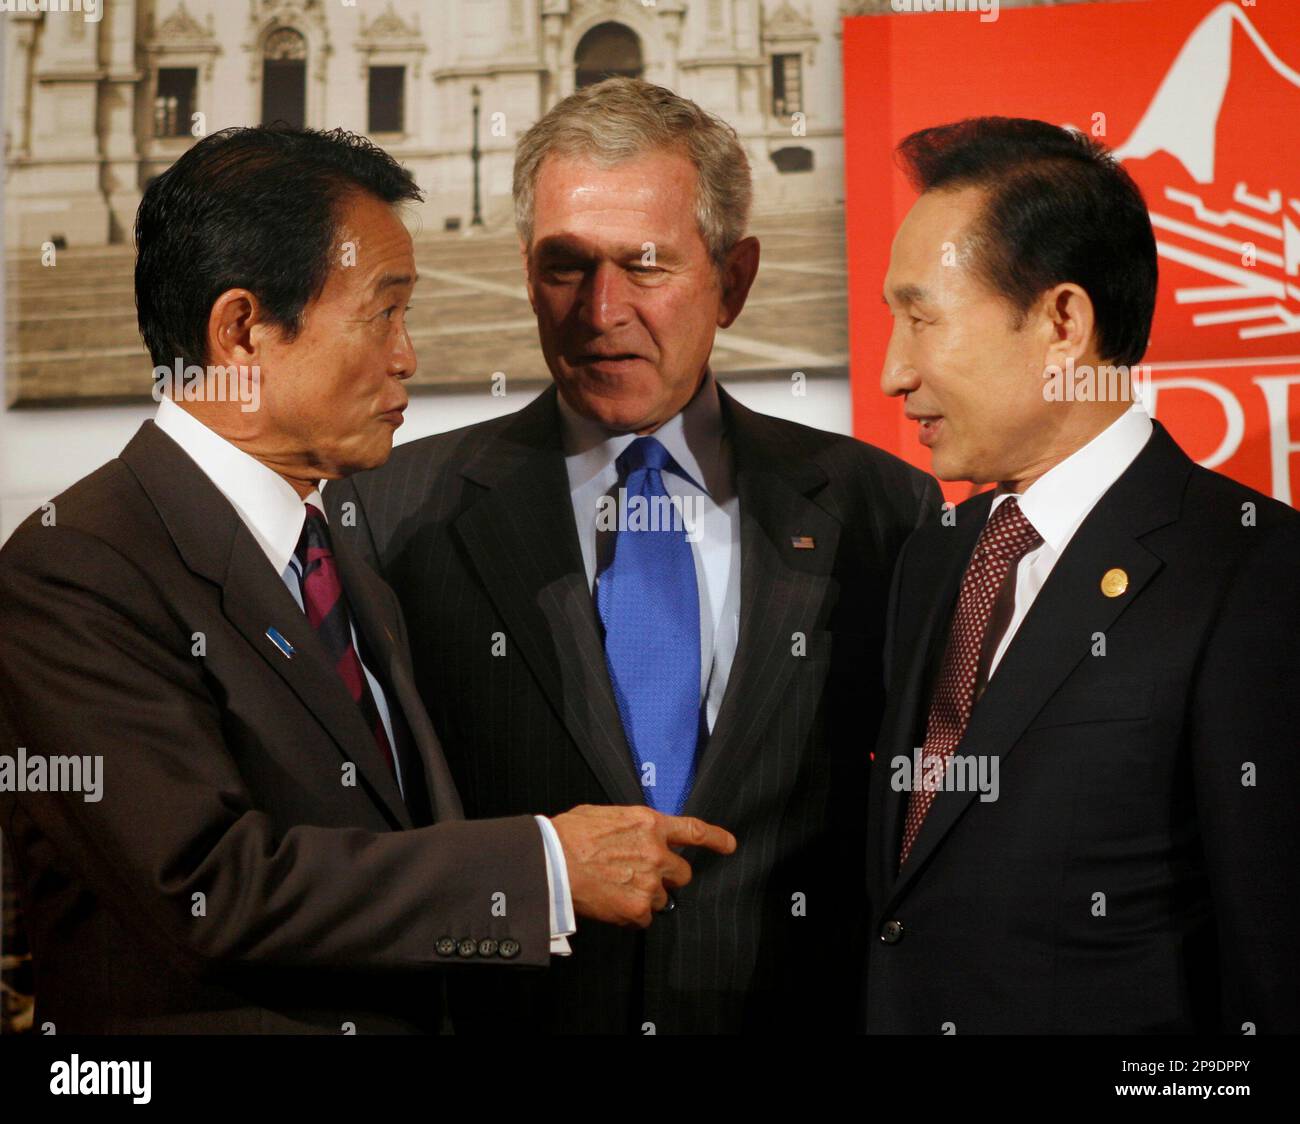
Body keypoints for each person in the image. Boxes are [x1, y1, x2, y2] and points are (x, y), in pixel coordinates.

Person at [0, 124, 735, 1035]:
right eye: (382, 313)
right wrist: (542, 866)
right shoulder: (76, 566)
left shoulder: (338, 537)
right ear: (241, 332)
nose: (407, 357)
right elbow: (207, 886)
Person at [327, 78, 940, 1034]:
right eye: (565, 266)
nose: (599, 309)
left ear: (733, 280)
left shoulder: (880, 506)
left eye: (645, 266)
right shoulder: (391, 514)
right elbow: (367, 849)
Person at [865, 117, 1300, 1033]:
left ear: (1063, 322)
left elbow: (1273, 960)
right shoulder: (936, 555)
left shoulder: (1256, 570)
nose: (894, 371)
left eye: (923, 317)